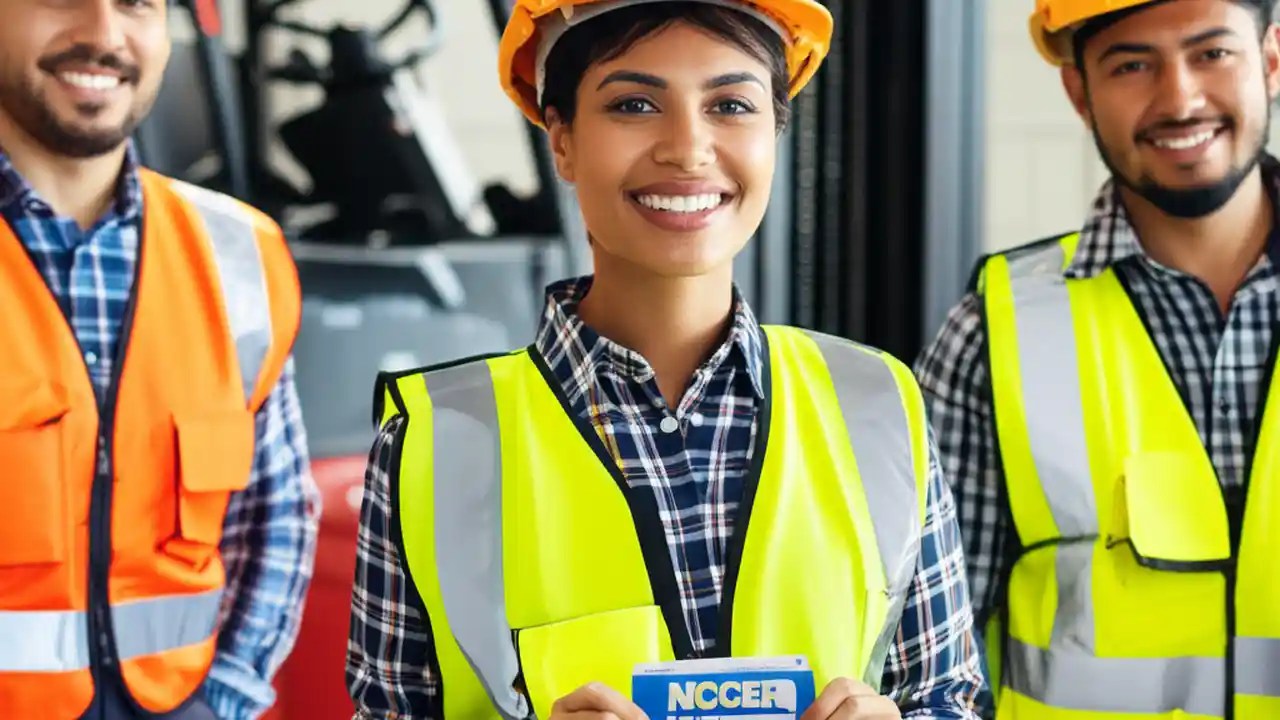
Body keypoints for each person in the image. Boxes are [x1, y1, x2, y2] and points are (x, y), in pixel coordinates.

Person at [345, 1, 984, 718]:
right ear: (561, 140)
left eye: (732, 104)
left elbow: (944, 697)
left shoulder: (877, 406)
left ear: (775, 134)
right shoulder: (439, 442)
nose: (688, 147)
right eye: (635, 103)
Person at [916, 0, 1280, 717]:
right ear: (1079, 92)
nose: (1179, 97)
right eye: (1133, 64)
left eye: (1212, 53)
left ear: (1271, 60)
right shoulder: (993, 333)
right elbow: (929, 661)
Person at [0, 0, 321, 718]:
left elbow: (275, 515)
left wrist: (225, 700)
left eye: (137, 5)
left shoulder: (238, 254)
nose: (104, 34)